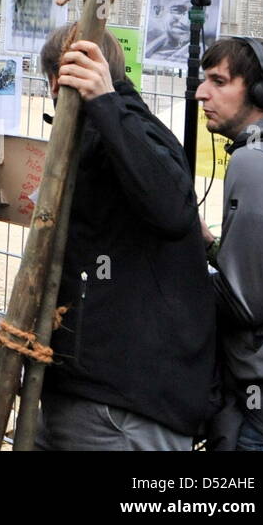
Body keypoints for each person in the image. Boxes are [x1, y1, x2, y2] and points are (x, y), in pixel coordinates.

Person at [33, 25, 218, 450]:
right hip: (94, 392)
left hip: (120, 407)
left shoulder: (132, 128)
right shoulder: (101, 129)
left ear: (56, 82)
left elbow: (172, 207)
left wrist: (106, 103)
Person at [196, 36, 263, 452]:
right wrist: (211, 246)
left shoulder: (258, 161)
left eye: (218, 81)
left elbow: (245, 304)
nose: (201, 92)